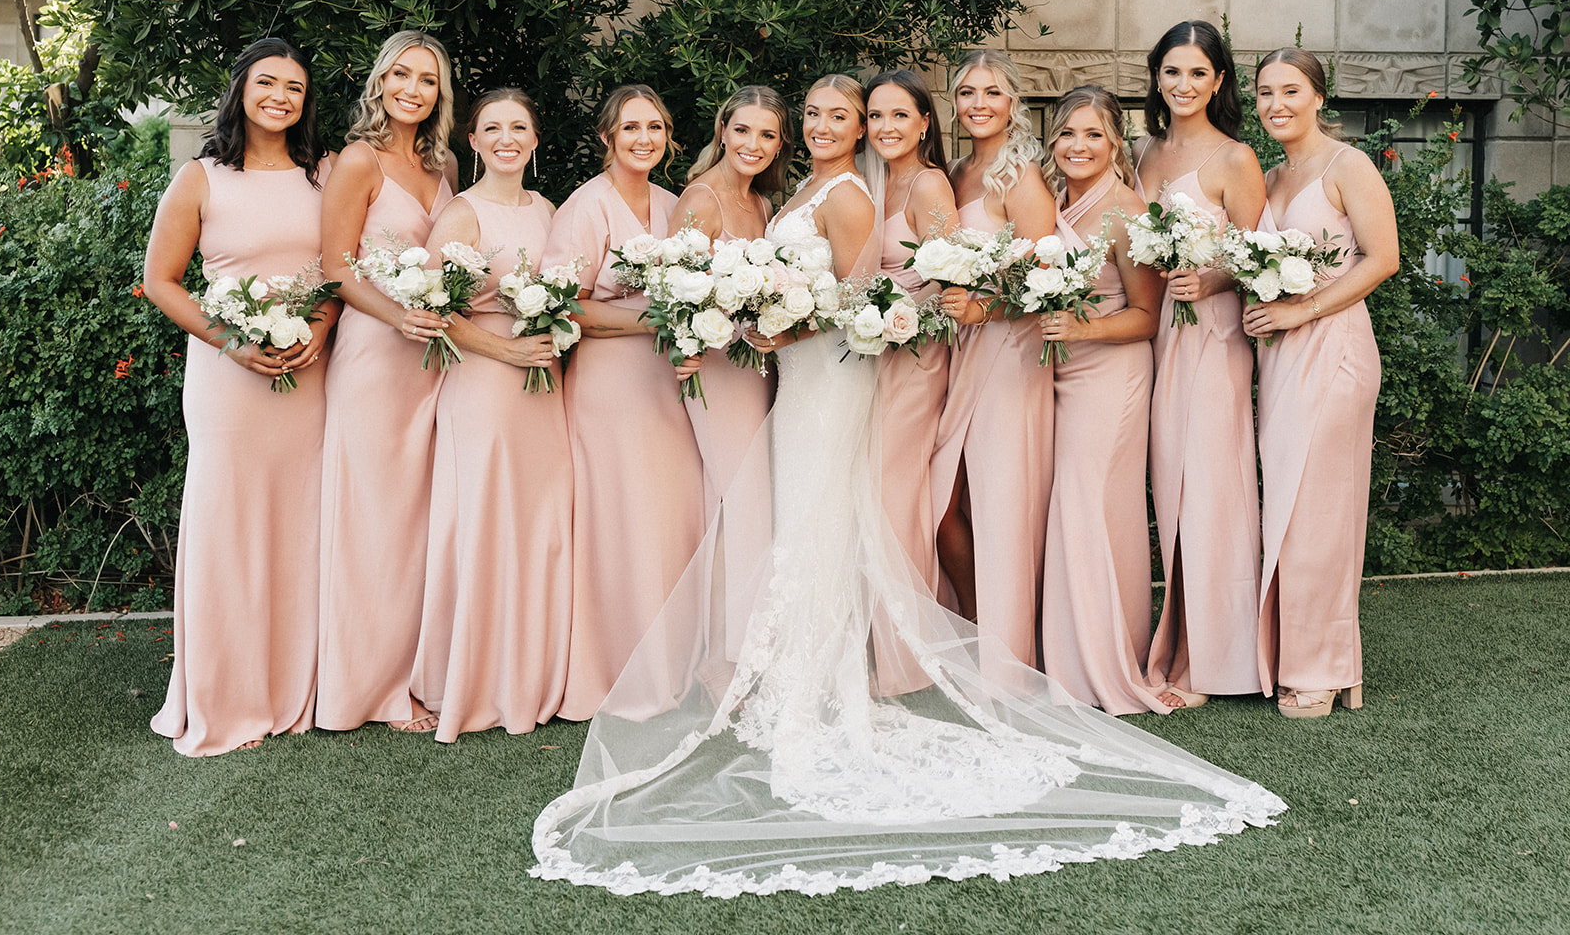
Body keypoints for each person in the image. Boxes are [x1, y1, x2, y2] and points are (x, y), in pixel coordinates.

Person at [530, 76, 1284, 897]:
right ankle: (797, 667)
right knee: (814, 514)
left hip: (838, 366)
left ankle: (825, 676)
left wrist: (787, 319)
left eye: (846, 117)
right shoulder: (827, 187)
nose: (827, 127)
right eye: (815, 115)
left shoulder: (861, 190)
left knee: (831, 509)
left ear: (896, 126)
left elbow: (860, 294)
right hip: (809, 369)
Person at [144, 38, 335, 756]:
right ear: (241, 89)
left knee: (301, 524)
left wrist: (321, 324)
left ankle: (299, 687)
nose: (280, 96)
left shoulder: (324, 176)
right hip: (229, 378)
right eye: (267, 82)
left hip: (310, 370)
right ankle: (227, 698)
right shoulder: (200, 177)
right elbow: (162, 279)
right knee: (231, 526)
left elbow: (341, 269)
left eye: (294, 85)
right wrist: (230, 340)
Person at [409, 89, 572, 740]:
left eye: (519, 127)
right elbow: (435, 315)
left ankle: (529, 671)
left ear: (535, 140)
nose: (507, 138)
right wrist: (509, 348)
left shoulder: (549, 209)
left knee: (536, 523)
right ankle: (470, 677)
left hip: (542, 386)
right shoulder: (461, 215)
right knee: (482, 520)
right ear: (473, 141)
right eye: (493, 128)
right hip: (484, 382)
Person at [540, 84, 706, 721]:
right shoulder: (586, 206)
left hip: (670, 382)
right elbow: (563, 304)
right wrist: (650, 318)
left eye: (655, 128)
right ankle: (616, 666)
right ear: (607, 137)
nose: (644, 139)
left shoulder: (675, 204)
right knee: (622, 517)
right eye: (630, 128)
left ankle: (677, 660)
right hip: (611, 385)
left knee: (673, 511)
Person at [1244, 47, 1398, 719]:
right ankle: (1310, 659)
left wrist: (1301, 309)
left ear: (1318, 97)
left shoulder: (1347, 166)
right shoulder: (1272, 177)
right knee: (1287, 508)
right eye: (1265, 93)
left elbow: (1384, 258)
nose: (1276, 104)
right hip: (1278, 360)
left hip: (1334, 352)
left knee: (1320, 515)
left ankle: (1323, 668)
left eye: (1290, 91)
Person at [316, 31, 456, 734]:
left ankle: (414, 673)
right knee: (371, 519)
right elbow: (337, 267)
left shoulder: (445, 162)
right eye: (400, 74)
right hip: (376, 353)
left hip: (432, 360)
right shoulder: (357, 161)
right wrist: (398, 317)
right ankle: (364, 687)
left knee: (416, 523)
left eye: (426, 80)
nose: (411, 89)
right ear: (380, 81)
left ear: (440, 93)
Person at [1133, 22, 1267, 710]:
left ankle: (1212, 661)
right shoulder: (1146, 152)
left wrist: (1213, 281)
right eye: (1171, 71)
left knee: (1211, 488)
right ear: (1156, 77)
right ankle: (1177, 640)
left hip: (1213, 337)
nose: (1182, 85)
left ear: (1219, 82)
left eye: (1196, 73)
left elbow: (1261, 261)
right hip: (1160, 334)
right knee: (1171, 488)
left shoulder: (1236, 159)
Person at [1039, 87, 1168, 716]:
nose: (1077, 146)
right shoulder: (1053, 201)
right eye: (1066, 133)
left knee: (1093, 504)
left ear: (1115, 141)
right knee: (1065, 504)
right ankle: (1066, 656)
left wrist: (1081, 330)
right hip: (1057, 372)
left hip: (1111, 372)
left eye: (1092, 134)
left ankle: (1109, 662)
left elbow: (1147, 315)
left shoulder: (1127, 210)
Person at [928, 49, 1057, 668]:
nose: (978, 104)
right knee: (945, 498)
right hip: (957, 352)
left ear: (1013, 105)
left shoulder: (1021, 176)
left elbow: (1046, 280)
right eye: (967, 93)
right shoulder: (952, 172)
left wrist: (987, 309)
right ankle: (983, 622)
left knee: (997, 496)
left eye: (992, 93)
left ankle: (1009, 648)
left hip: (1008, 349)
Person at [668, 86, 792, 658]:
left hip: (756, 367)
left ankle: (748, 637)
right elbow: (674, 291)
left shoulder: (762, 204)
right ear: (723, 130)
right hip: (716, 371)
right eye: (743, 130)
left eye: (767, 134)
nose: (753, 144)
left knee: (751, 501)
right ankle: (727, 653)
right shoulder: (702, 198)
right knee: (736, 499)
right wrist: (689, 344)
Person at [863, 69, 958, 600]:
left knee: (894, 488)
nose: (886, 126)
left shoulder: (929, 183)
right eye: (876, 115)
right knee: (870, 486)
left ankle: (907, 642)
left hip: (917, 357)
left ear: (924, 123)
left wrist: (891, 313)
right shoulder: (872, 179)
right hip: (871, 354)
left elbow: (949, 280)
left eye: (900, 115)